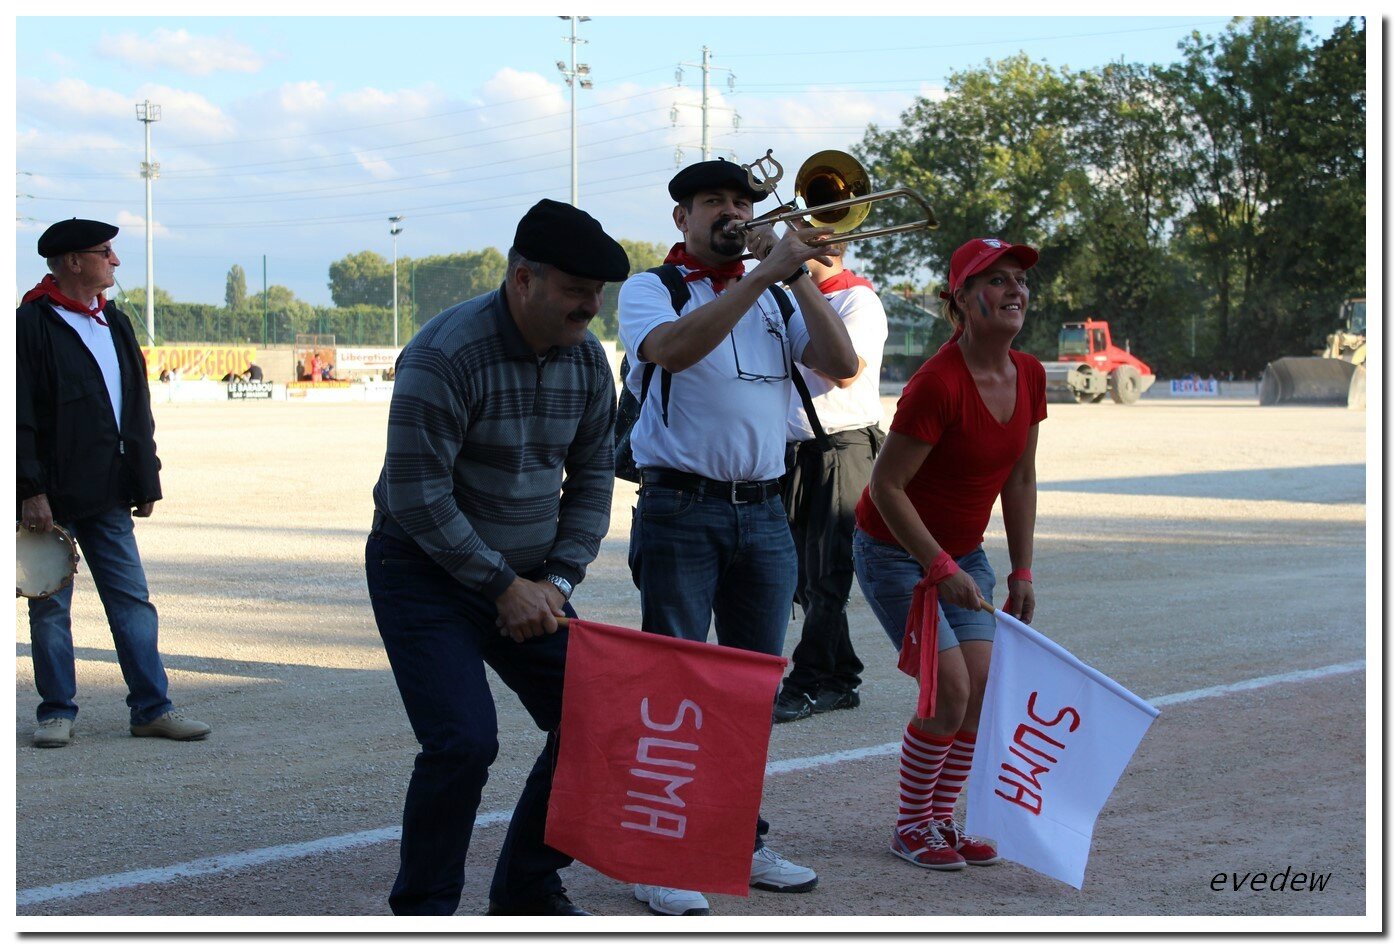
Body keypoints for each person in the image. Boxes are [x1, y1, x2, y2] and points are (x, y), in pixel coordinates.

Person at [366, 199, 628, 917]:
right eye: (576, 290)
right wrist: (500, 584)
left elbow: (594, 478)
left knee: (598, 717)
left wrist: (556, 579)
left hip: (531, 578)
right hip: (421, 570)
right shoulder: (444, 353)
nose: (590, 308)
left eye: (596, 293)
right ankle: (423, 914)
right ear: (523, 279)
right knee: (462, 743)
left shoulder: (585, 364)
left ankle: (526, 889)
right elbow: (418, 496)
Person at [617, 159, 858, 916]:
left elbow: (842, 366)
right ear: (682, 219)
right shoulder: (650, 289)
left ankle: (736, 842)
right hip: (680, 510)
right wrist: (761, 276)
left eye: (740, 202)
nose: (730, 212)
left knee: (751, 692)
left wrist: (800, 278)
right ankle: (659, 855)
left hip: (763, 511)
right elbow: (673, 352)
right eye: (713, 202)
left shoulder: (775, 296)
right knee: (675, 690)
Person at [852, 237, 1045, 871]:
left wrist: (1020, 569)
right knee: (949, 691)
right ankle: (912, 825)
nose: (1013, 290)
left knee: (983, 688)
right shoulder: (937, 383)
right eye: (995, 280)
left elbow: (1019, 478)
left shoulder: (1032, 374)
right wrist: (938, 568)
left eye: (1019, 279)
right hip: (896, 550)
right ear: (959, 300)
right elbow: (885, 486)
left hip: (965, 550)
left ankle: (941, 820)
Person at [17, 218, 212, 748]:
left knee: (132, 602)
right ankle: (56, 712)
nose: (116, 262)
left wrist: (144, 477)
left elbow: (135, 409)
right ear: (74, 261)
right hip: (50, 499)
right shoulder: (30, 324)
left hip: (107, 492)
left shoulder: (115, 322)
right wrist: (29, 491)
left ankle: (152, 708)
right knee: (50, 607)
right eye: (107, 253)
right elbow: (19, 416)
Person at [773, 241, 888, 723]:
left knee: (830, 576)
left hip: (844, 449)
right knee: (804, 579)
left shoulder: (858, 299)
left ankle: (803, 682)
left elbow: (846, 373)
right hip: (794, 453)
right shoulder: (781, 298)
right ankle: (842, 678)